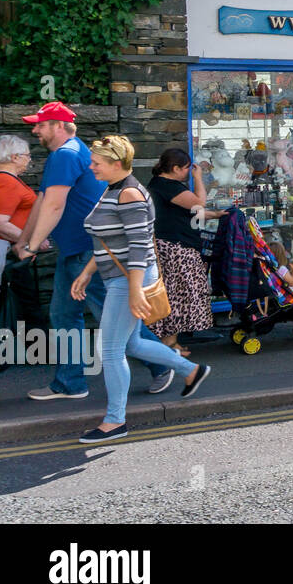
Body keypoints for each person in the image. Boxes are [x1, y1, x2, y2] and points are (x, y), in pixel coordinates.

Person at [15, 103, 174, 400]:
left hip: (93, 253)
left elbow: (54, 205)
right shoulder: (66, 154)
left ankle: (164, 365)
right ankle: (70, 383)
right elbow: (42, 201)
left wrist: (32, 245)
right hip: (76, 251)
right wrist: (24, 240)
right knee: (64, 315)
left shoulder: (66, 155)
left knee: (115, 322)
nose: (35, 130)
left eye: (40, 124)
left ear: (58, 126)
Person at [71, 135, 209, 443]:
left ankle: (115, 421)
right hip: (120, 278)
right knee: (130, 345)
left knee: (110, 350)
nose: (91, 167)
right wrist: (86, 272)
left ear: (116, 164)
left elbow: (138, 247)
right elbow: (111, 241)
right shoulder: (114, 189)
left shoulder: (130, 194)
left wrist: (134, 291)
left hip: (128, 281)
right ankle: (191, 370)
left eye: (97, 163)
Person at [146, 148, 220, 354]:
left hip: (174, 246)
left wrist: (215, 215)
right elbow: (199, 203)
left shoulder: (162, 186)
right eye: (187, 168)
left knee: (178, 294)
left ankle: (171, 342)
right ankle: (168, 345)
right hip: (176, 248)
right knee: (178, 295)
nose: (189, 171)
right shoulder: (167, 186)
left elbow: (188, 212)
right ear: (175, 168)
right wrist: (198, 178)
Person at [0, 135, 37, 267]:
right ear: (15, 157)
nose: (29, 159)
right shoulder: (7, 181)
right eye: (27, 155)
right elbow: (0, 223)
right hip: (5, 250)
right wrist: (30, 242)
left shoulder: (8, 180)